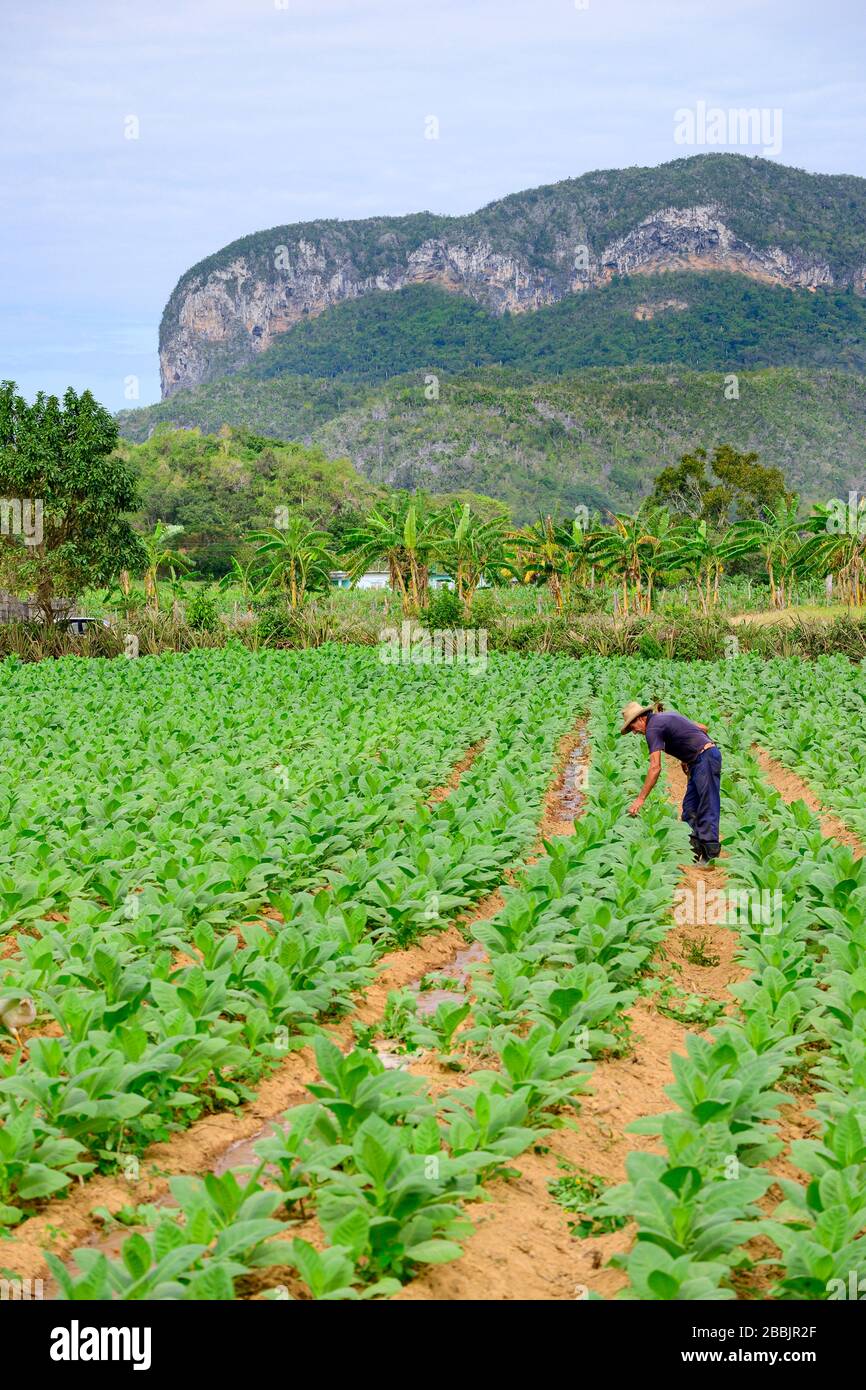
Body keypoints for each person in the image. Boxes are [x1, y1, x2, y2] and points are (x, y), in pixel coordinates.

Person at [619, 700, 722, 863]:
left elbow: (655, 767)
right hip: (699, 760)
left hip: (706, 759)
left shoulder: (652, 729)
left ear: (640, 719)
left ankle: (710, 854)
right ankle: (693, 851)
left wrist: (640, 799)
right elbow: (703, 728)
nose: (634, 732)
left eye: (632, 727)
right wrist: (687, 755)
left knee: (707, 804)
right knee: (689, 808)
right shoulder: (665, 717)